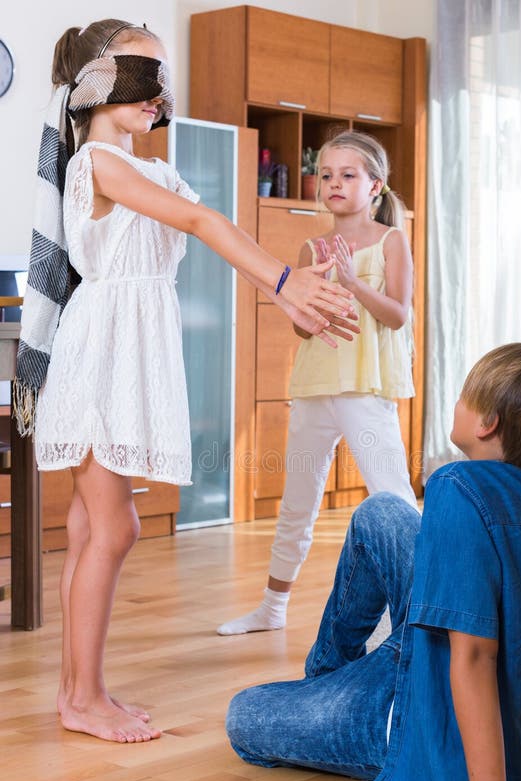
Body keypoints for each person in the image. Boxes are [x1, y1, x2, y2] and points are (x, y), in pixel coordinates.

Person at [15, 19, 357, 744]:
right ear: (97, 82)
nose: (159, 93)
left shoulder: (152, 170)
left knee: (91, 525)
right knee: (112, 525)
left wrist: (300, 299)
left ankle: (80, 692)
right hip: (102, 351)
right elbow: (202, 222)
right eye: (144, 73)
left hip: (130, 348)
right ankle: (83, 697)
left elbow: (210, 221)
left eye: (163, 78)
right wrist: (281, 280)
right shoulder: (97, 165)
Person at [226, 343, 521, 781]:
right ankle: (332, 677)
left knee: (245, 716)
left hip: (427, 734)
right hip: (450, 681)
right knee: (382, 511)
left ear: (487, 422)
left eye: (462, 396)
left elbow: (475, 655)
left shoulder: (456, 486)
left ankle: (348, 691)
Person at [218, 130, 418, 636]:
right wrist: (314, 303)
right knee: (297, 502)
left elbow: (397, 316)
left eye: (348, 174)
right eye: (326, 174)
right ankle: (271, 608)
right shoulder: (312, 248)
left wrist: (351, 284)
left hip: (364, 390)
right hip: (314, 387)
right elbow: (298, 326)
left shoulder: (392, 241)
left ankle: (415, 618)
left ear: (375, 186)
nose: (334, 183)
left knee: (392, 500)